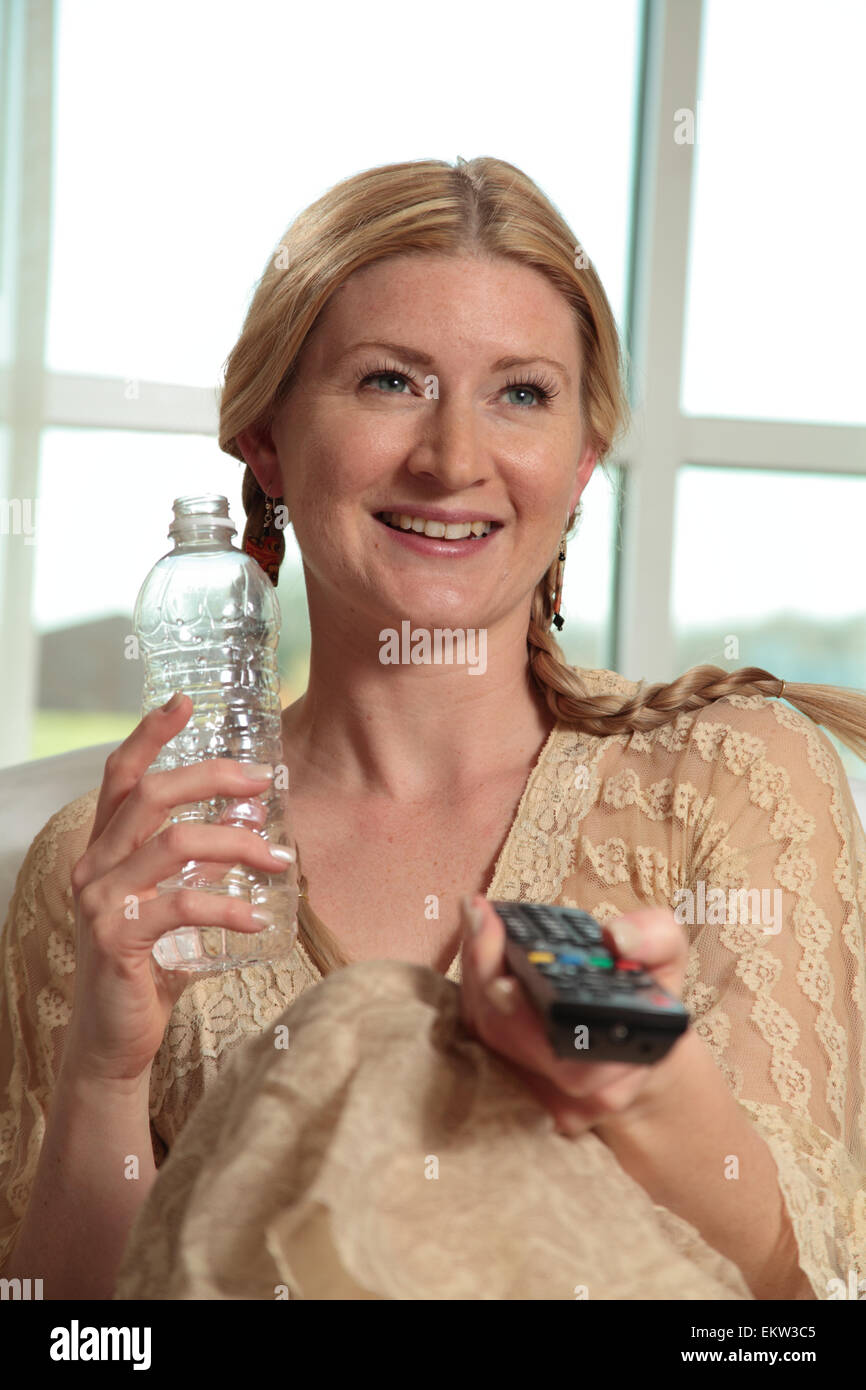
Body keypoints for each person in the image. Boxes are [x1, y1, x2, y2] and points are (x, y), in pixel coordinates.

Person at [2, 156, 865, 1301]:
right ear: (263, 440)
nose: (453, 460)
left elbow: (798, 1311)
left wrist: (645, 1080)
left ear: (579, 462)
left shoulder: (732, 782)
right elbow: (81, 1338)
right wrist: (107, 1076)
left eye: (519, 394)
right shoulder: (119, 863)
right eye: (389, 381)